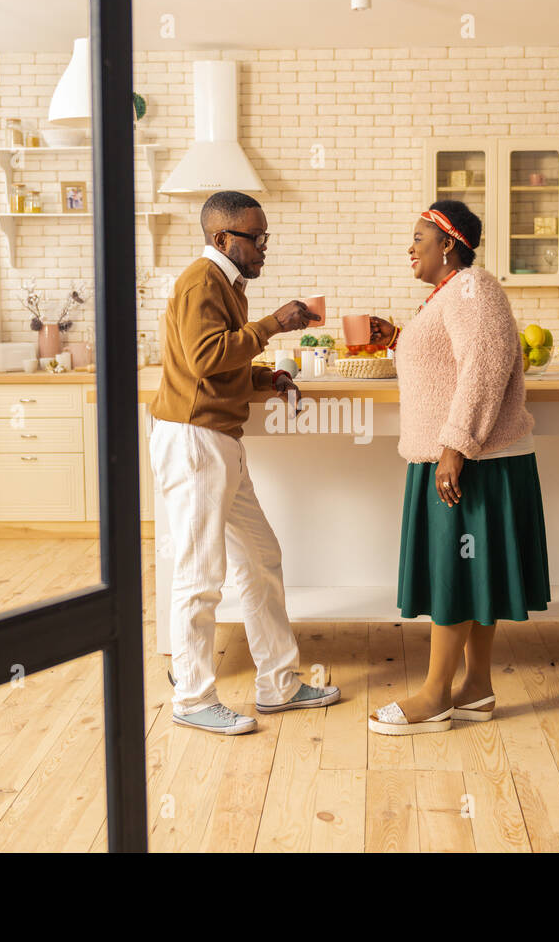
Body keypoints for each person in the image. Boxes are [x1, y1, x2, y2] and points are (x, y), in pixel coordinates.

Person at [149, 190, 340, 735]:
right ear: (222, 239)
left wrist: (267, 378)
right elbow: (207, 357)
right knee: (199, 574)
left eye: (265, 238)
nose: (263, 249)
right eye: (256, 239)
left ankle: (278, 685)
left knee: (260, 557)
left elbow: (222, 363)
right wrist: (275, 326)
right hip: (195, 441)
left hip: (218, 441)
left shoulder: (227, 285)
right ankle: (191, 697)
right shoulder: (200, 282)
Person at [365, 199, 552, 735]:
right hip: (465, 454)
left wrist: (456, 446)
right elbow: (451, 358)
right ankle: (476, 687)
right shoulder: (450, 294)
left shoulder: (473, 286)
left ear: (448, 244)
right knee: (473, 574)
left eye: (419, 237)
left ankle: (434, 696)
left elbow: (485, 365)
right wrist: (398, 337)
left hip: (469, 458)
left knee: (455, 574)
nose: (410, 246)